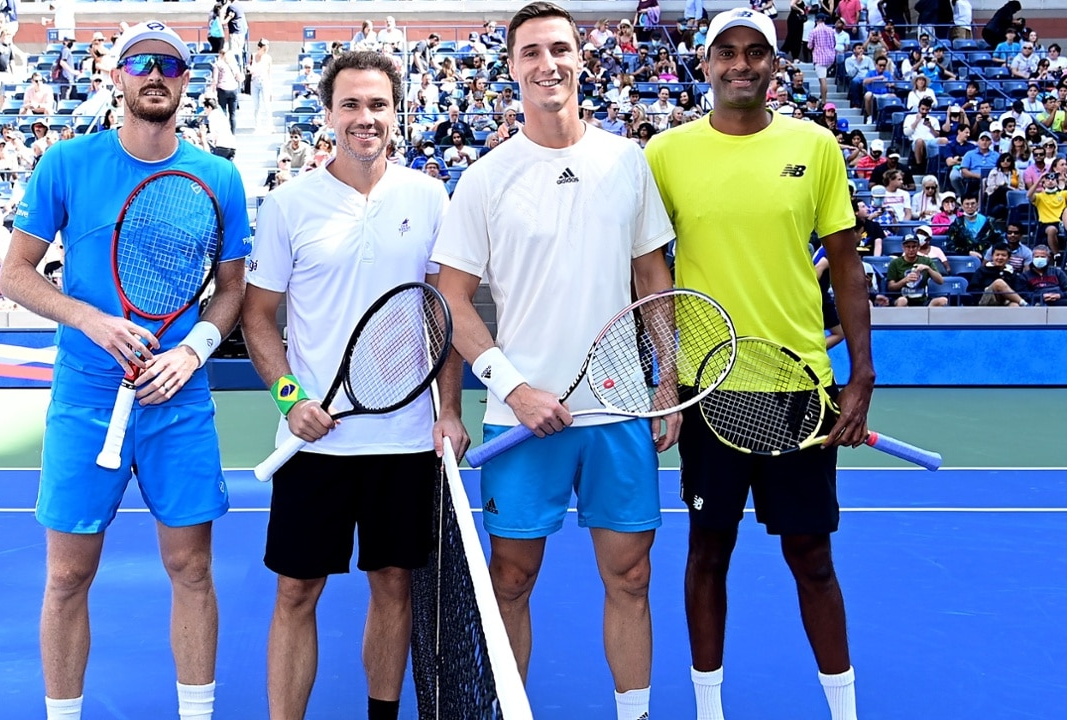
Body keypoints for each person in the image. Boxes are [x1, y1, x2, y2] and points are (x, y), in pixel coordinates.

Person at [0, 22, 252, 720]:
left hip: (179, 400)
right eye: (139, 62)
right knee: (67, 576)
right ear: (116, 76)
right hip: (85, 398)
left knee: (192, 570)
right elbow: (14, 275)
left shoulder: (220, 177)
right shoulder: (66, 164)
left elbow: (230, 289)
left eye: (169, 64)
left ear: (185, 80)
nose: (154, 73)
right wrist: (89, 318)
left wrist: (193, 350)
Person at [433, 4, 678, 719]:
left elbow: (653, 279)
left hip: (620, 412)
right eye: (533, 51)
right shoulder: (484, 178)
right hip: (522, 420)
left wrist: (667, 376)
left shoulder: (625, 160)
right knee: (510, 579)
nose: (549, 63)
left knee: (630, 576)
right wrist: (515, 388)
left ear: (580, 58)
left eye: (561, 48)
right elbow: (450, 303)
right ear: (512, 66)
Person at [644, 9, 872, 720]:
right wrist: (668, 370)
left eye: (756, 54)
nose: (741, 64)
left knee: (811, 556)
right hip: (710, 392)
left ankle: (844, 710)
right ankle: (709, 711)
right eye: (727, 53)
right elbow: (649, 269)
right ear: (705, 64)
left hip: (801, 387)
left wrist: (861, 375)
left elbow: (844, 263)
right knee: (708, 552)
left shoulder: (817, 145)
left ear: (775, 66)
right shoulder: (665, 155)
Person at [241, 49, 467, 720]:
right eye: (351, 105)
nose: (364, 118)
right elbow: (257, 318)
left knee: (394, 583)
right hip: (315, 446)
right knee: (295, 593)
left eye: (377, 105)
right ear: (329, 114)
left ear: (395, 114)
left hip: (403, 441)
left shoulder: (429, 197)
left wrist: (448, 410)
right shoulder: (289, 205)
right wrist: (290, 399)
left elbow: (444, 314)